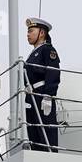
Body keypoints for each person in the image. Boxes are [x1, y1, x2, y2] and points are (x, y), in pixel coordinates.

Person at [24, 17, 61, 153]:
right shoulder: (32, 54)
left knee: (46, 132)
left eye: (31, 31)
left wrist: (48, 96)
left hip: (41, 95)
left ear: (42, 33)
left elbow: (53, 72)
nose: (28, 34)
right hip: (31, 95)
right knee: (33, 133)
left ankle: (49, 158)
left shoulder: (47, 50)